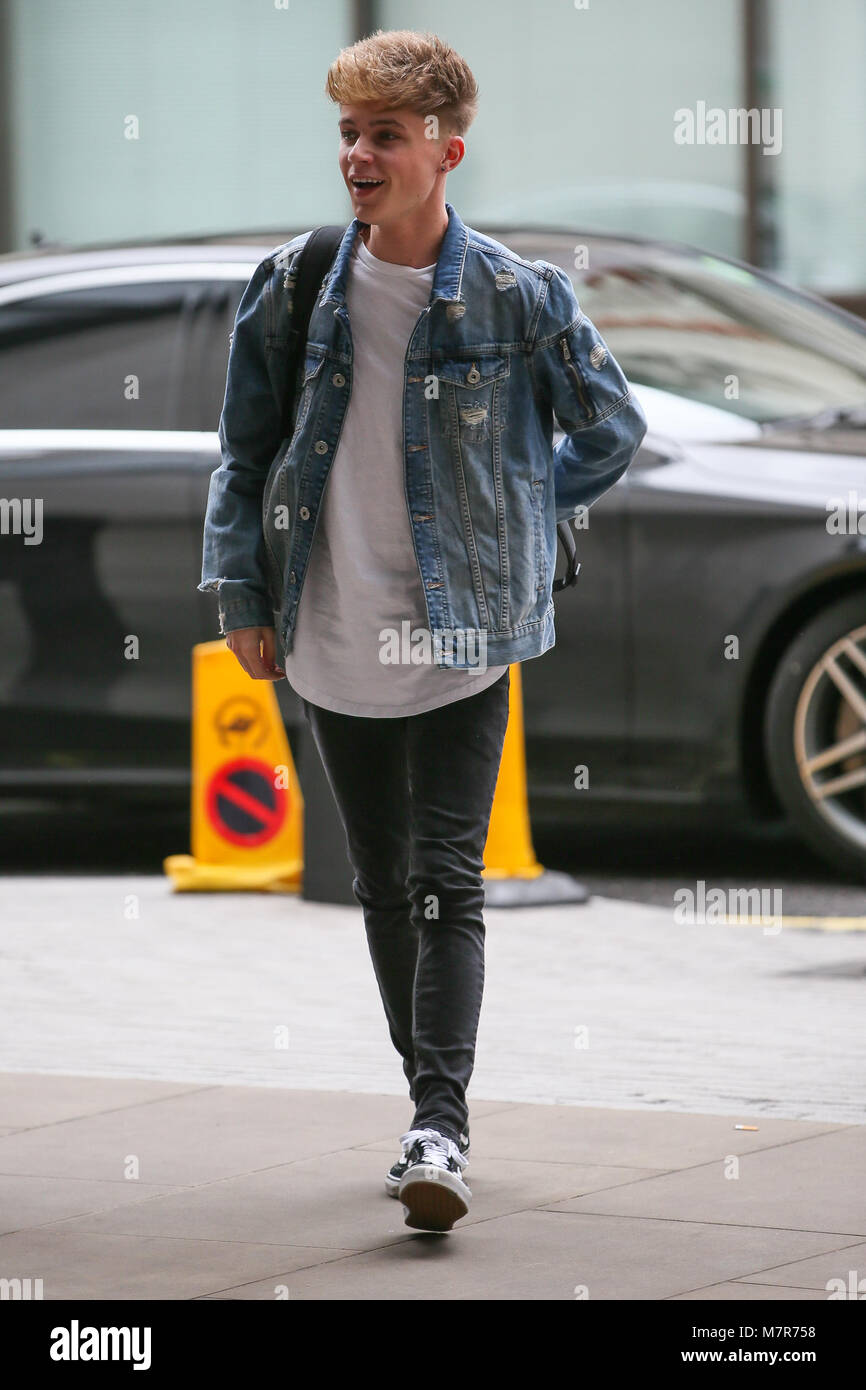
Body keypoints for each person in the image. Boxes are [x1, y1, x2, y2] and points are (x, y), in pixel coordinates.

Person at [199, 28, 647, 1233]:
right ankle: (425, 1101)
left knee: (448, 881)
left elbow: (609, 429)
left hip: (462, 634)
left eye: (383, 136)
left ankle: (438, 1124)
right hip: (331, 622)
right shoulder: (298, 283)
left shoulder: (517, 294)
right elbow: (243, 453)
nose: (357, 154)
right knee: (385, 888)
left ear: (444, 152)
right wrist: (241, 595)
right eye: (347, 132)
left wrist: (519, 521)